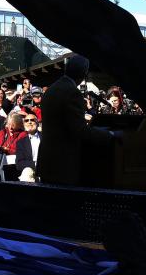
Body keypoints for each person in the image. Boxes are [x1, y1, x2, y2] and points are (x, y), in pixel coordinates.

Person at [38, 55, 109, 185]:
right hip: (63, 165)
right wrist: (109, 134)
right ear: (84, 73)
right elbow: (79, 131)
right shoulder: (72, 93)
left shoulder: (51, 89)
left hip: (47, 162)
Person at [0, 111, 29, 182]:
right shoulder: (1, 133)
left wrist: (7, 150)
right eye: (9, 124)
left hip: (15, 166)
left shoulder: (23, 135)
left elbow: (22, 152)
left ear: (18, 125)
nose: (10, 128)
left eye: (13, 125)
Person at [15, 111, 42, 182]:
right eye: (26, 121)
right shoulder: (21, 143)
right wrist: (35, 164)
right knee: (26, 173)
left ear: (37, 123)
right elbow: (19, 163)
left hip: (47, 168)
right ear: (24, 124)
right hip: (31, 169)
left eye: (32, 120)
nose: (29, 122)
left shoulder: (46, 138)